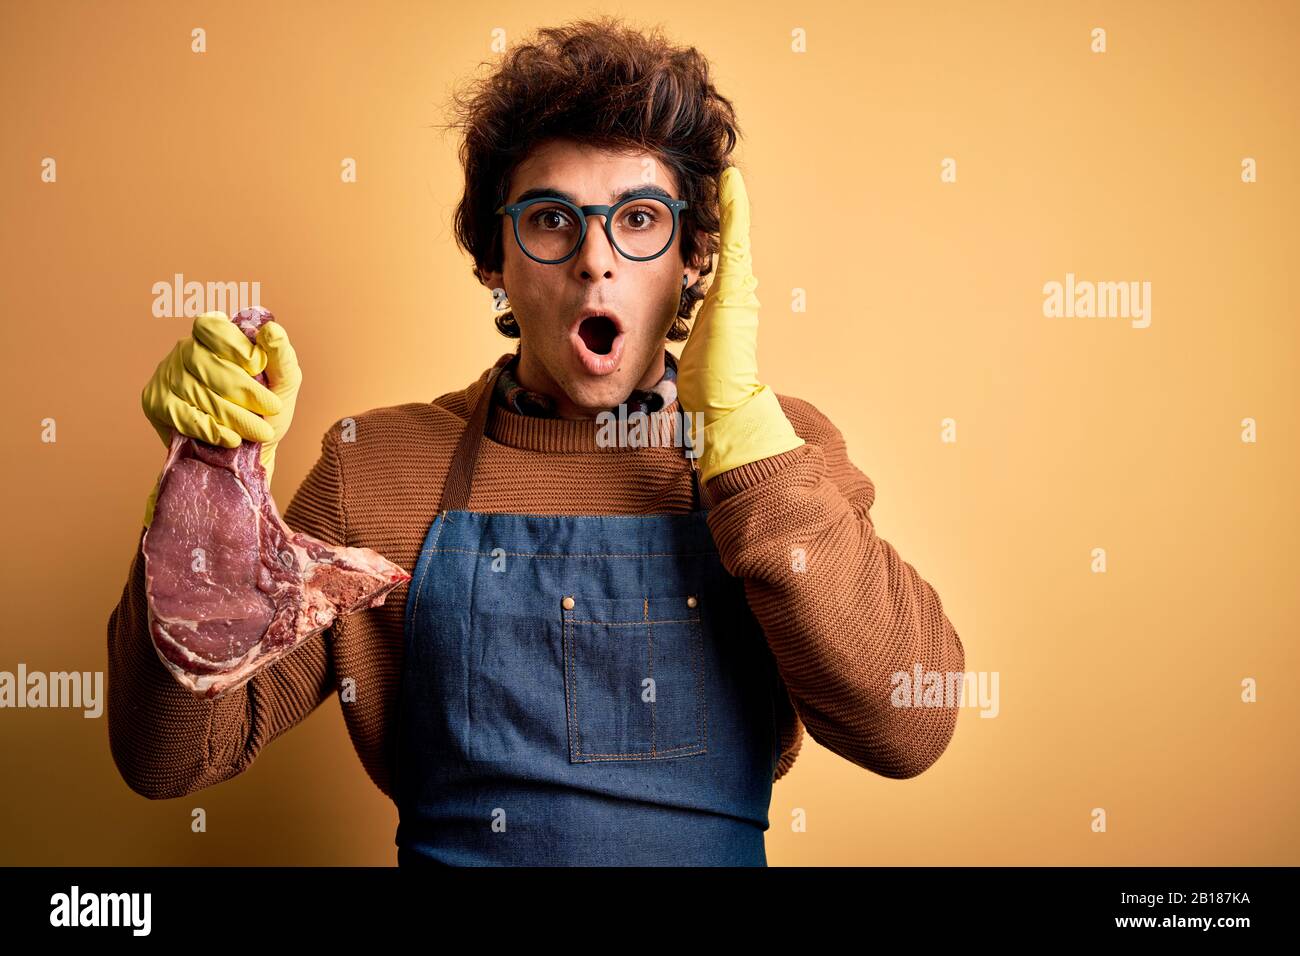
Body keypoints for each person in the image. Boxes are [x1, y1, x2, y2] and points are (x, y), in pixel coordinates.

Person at [107, 16, 965, 866]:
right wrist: (202, 503)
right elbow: (171, 761)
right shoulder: (374, 465)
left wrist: (739, 432)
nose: (597, 260)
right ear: (494, 259)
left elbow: (909, 729)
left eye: (639, 220)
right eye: (552, 220)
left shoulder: (780, 457)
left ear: (698, 256)